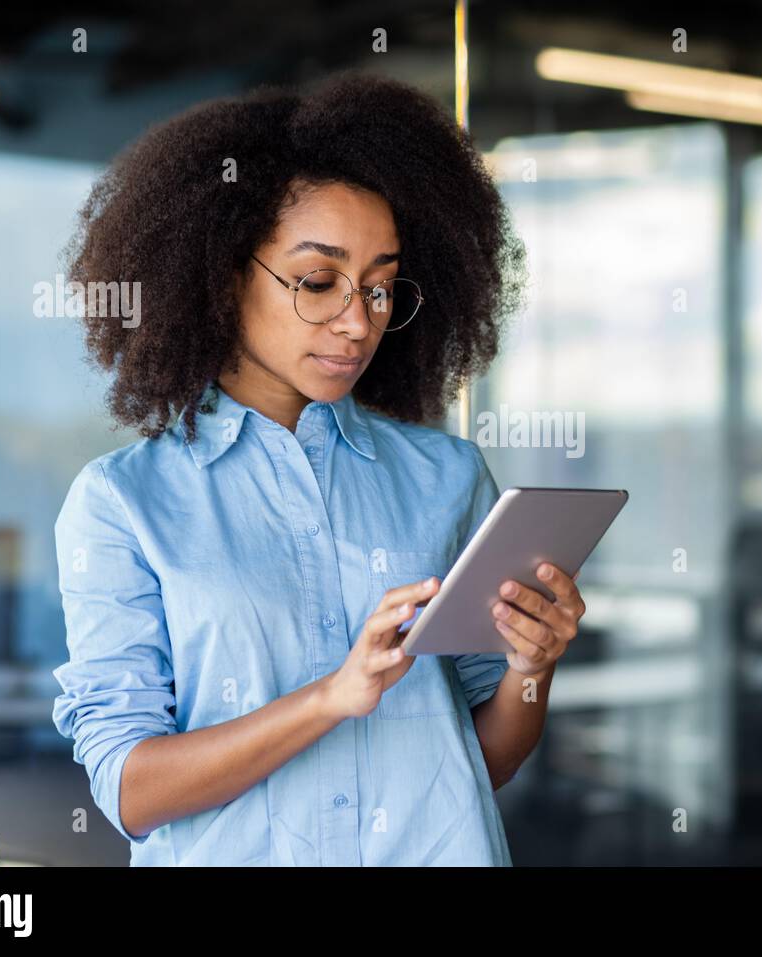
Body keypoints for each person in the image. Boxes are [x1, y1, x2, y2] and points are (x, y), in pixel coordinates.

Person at [51, 71, 588, 865]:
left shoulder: (445, 476)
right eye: (317, 281)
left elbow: (487, 759)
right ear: (225, 271)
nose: (357, 321)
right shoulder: (124, 503)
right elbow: (131, 789)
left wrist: (532, 670)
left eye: (379, 288)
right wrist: (332, 697)